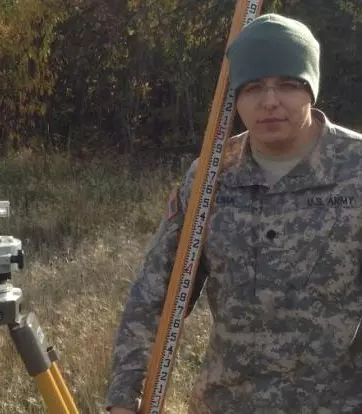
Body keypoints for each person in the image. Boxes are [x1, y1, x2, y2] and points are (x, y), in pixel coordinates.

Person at [105, 13, 362, 414]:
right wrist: (125, 398)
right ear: (236, 97)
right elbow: (155, 296)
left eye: (288, 85)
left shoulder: (356, 169)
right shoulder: (211, 176)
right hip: (226, 402)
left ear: (311, 89)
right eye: (253, 87)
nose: (270, 101)